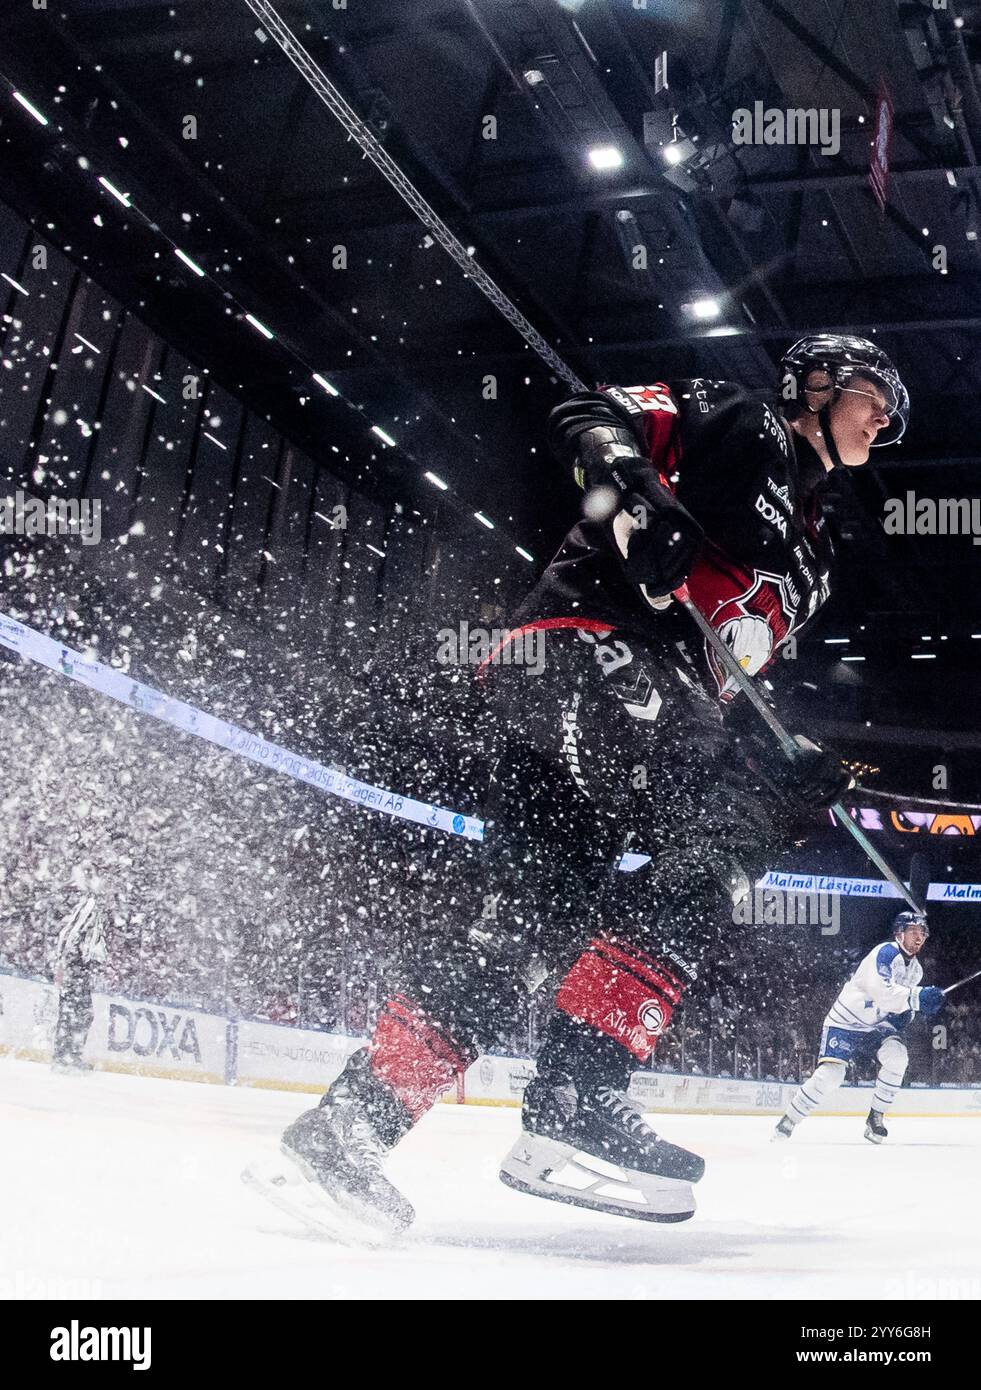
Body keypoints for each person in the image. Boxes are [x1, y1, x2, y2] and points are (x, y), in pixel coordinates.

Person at [245, 335, 911, 1238]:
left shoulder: (816, 557)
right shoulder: (736, 415)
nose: (883, 415)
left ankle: (344, 1132)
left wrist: (784, 758)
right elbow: (589, 414)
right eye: (870, 392)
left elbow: (733, 672)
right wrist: (636, 489)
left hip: (629, 696)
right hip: (587, 643)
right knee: (723, 825)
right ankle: (576, 1089)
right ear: (814, 384)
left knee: (528, 924)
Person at [773, 911, 944, 1144]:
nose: (919, 938)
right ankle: (789, 1120)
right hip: (846, 1022)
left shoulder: (916, 971)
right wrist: (918, 998)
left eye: (922, 934)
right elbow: (883, 993)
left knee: (898, 1058)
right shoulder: (884, 953)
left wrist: (908, 1014)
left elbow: (898, 1004)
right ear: (899, 933)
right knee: (830, 1076)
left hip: (876, 1026)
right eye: (913, 932)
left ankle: (876, 1117)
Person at [52, 893, 107, 1073]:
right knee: (79, 1013)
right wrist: (67, 963)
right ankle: (67, 1056)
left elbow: (70, 938)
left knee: (74, 1013)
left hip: (75, 970)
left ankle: (64, 1055)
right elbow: (74, 938)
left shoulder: (90, 910)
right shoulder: (92, 909)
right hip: (76, 970)